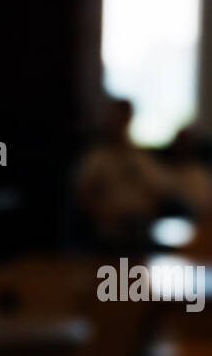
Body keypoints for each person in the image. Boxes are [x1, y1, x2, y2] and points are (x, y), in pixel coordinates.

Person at [74, 97, 178, 247]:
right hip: (107, 228)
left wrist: (148, 210)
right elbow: (83, 194)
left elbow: (160, 190)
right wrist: (104, 216)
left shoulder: (140, 157)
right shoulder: (97, 157)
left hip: (139, 225)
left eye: (124, 117)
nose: (119, 122)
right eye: (116, 117)